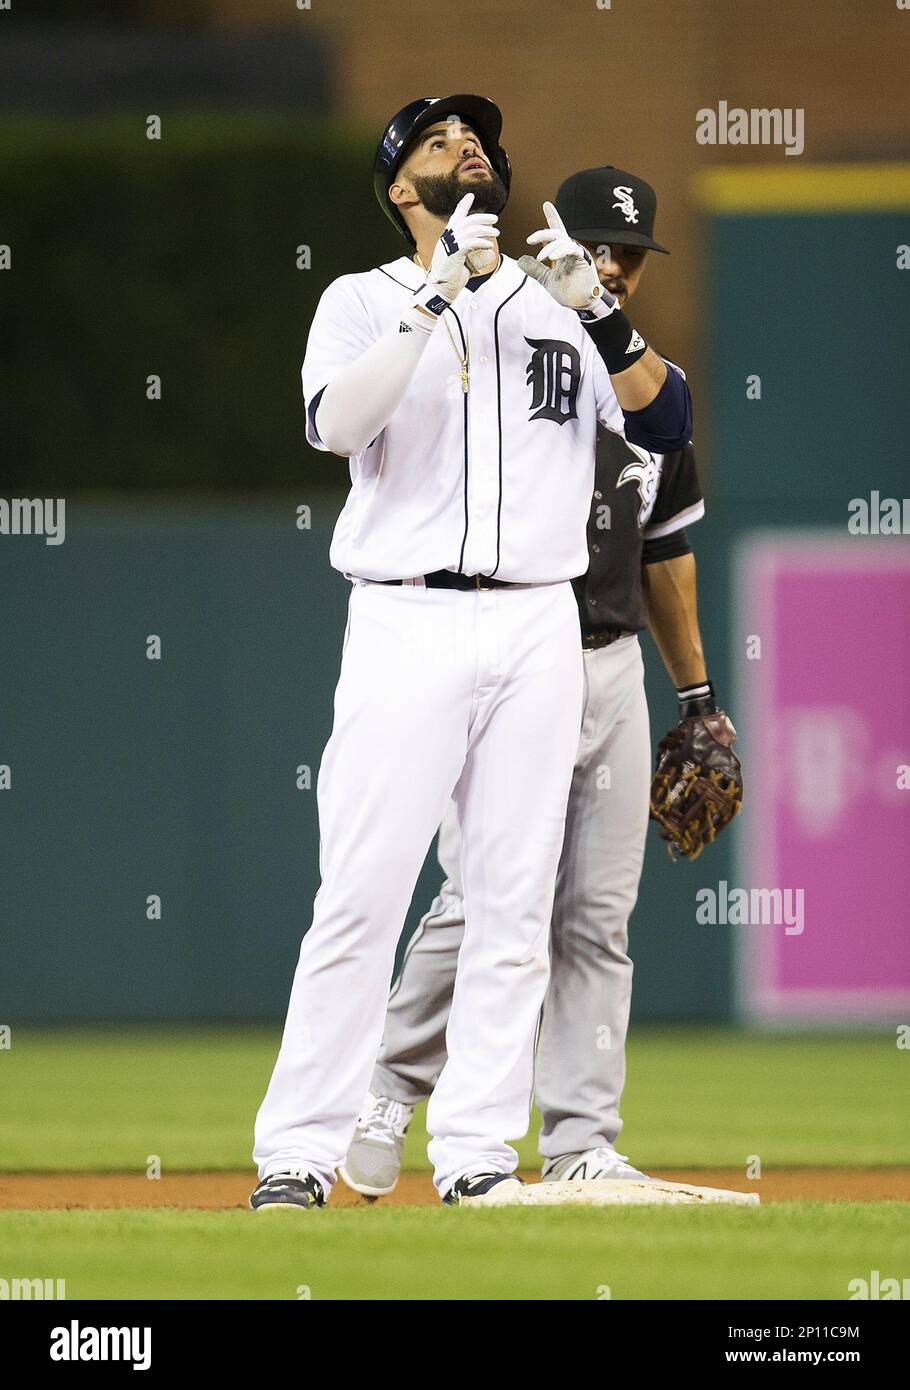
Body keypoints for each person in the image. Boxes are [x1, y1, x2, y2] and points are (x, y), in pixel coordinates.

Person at [250, 98, 691, 1211]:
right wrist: (438, 291)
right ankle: (297, 1151)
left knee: (509, 896)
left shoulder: (556, 302)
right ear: (403, 189)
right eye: (440, 143)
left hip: (540, 618)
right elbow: (336, 426)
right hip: (407, 617)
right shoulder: (359, 298)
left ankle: (477, 1155)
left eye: (478, 138)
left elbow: (667, 419)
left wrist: (598, 313)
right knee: (360, 891)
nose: (469, 149)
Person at [340, 166, 718, 1197]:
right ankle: (387, 1084)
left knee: (596, 916)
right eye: (597, 245)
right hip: (515, 644)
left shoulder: (633, 371)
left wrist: (696, 695)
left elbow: (668, 549)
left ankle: (581, 1140)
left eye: (629, 255)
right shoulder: (505, 342)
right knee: (482, 898)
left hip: (612, 666)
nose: (614, 267)